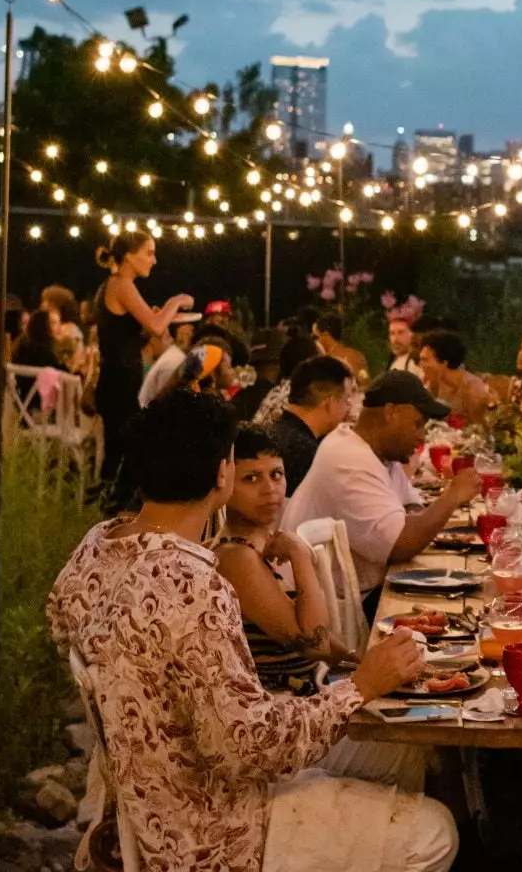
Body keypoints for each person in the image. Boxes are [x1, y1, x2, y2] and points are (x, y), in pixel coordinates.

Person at [47, 391, 450, 872]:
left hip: (141, 793)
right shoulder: (192, 584)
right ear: (222, 476)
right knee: (436, 832)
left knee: (401, 753)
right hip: (206, 819)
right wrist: (362, 685)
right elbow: (249, 748)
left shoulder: (93, 549)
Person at [291, 370, 482, 615]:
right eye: (418, 424)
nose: (422, 436)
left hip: (360, 594)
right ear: (391, 412)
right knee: (458, 610)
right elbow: (401, 544)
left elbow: (412, 506)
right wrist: (453, 496)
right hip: (331, 610)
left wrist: (413, 522)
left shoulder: (378, 452)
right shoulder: (349, 459)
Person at [217, 423, 360, 663]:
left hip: (312, 684)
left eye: (276, 475)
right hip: (283, 695)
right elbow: (316, 645)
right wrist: (300, 554)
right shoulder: (236, 557)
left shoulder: (263, 541)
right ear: (224, 481)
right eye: (251, 478)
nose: (270, 489)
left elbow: (320, 635)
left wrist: (355, 662)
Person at [91, 232, 195, 503]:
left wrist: (159, 315)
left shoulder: (113, 285)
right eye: (148, 253)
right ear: (128, 255)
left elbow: (133, 334)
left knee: (122, 451)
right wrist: (175, 302)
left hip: (117, 379)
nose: (154, 260)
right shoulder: (121, 284)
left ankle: (107, 510)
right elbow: (156, 327)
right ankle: (111, 512)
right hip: (119, 382)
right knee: (127, 451)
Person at [269, 352, 358, 496]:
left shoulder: (274, 430)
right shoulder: (309, 453)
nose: (350, 407)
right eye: (347, 399)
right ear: (329, 403)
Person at [415, 328, 492, 422]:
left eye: (425, 360)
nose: (420, 364)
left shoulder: (472, 388)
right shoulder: (435, 383)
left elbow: (481, 430)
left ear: (444, 362)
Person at [139, 308, 199, 406]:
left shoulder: (147, 364)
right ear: (153, 338)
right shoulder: (143, 366)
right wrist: (181, 346)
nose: (171, 341)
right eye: (168, 337)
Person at [311, 305, 369, 388]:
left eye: (317, 337)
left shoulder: (353, 357)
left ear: (325, 335)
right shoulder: (356, 355)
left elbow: (366, 383)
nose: (315, 341)